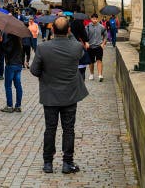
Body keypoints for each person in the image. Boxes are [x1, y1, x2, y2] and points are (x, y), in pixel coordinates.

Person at [30, 17, 89, 175]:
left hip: (50, 95)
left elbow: (34, 70)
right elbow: (82, 50)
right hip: (70, 95)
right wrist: (70, 34)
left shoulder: (43, 48)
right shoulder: (76, 47)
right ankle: (67, 163)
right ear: (69, 30)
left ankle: (48, 163)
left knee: (50, 129)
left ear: (53, 30)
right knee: (68, 129)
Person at [1, 32, 24, 113]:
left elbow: (8, 51)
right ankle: (18, 106)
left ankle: (10, 106)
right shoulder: (19, 39)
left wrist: (2, 44)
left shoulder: (11, 39)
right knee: (18, 85)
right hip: (18, 64)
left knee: (8, 86)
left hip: (11, 64)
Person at [85, 13, 107, 82]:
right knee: (91, 62)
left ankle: (100, 75)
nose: (95, 20)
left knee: (99, 60)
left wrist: (103, 43)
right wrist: (86, 42)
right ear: (91, 19)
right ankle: (91, 74)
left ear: (97, 19)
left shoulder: (101, 27)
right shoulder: (87, 27)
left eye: (96, 19)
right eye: (93, 19)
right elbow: (85, 36)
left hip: (98, 46)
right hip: (90, 47)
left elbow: (105, 35)